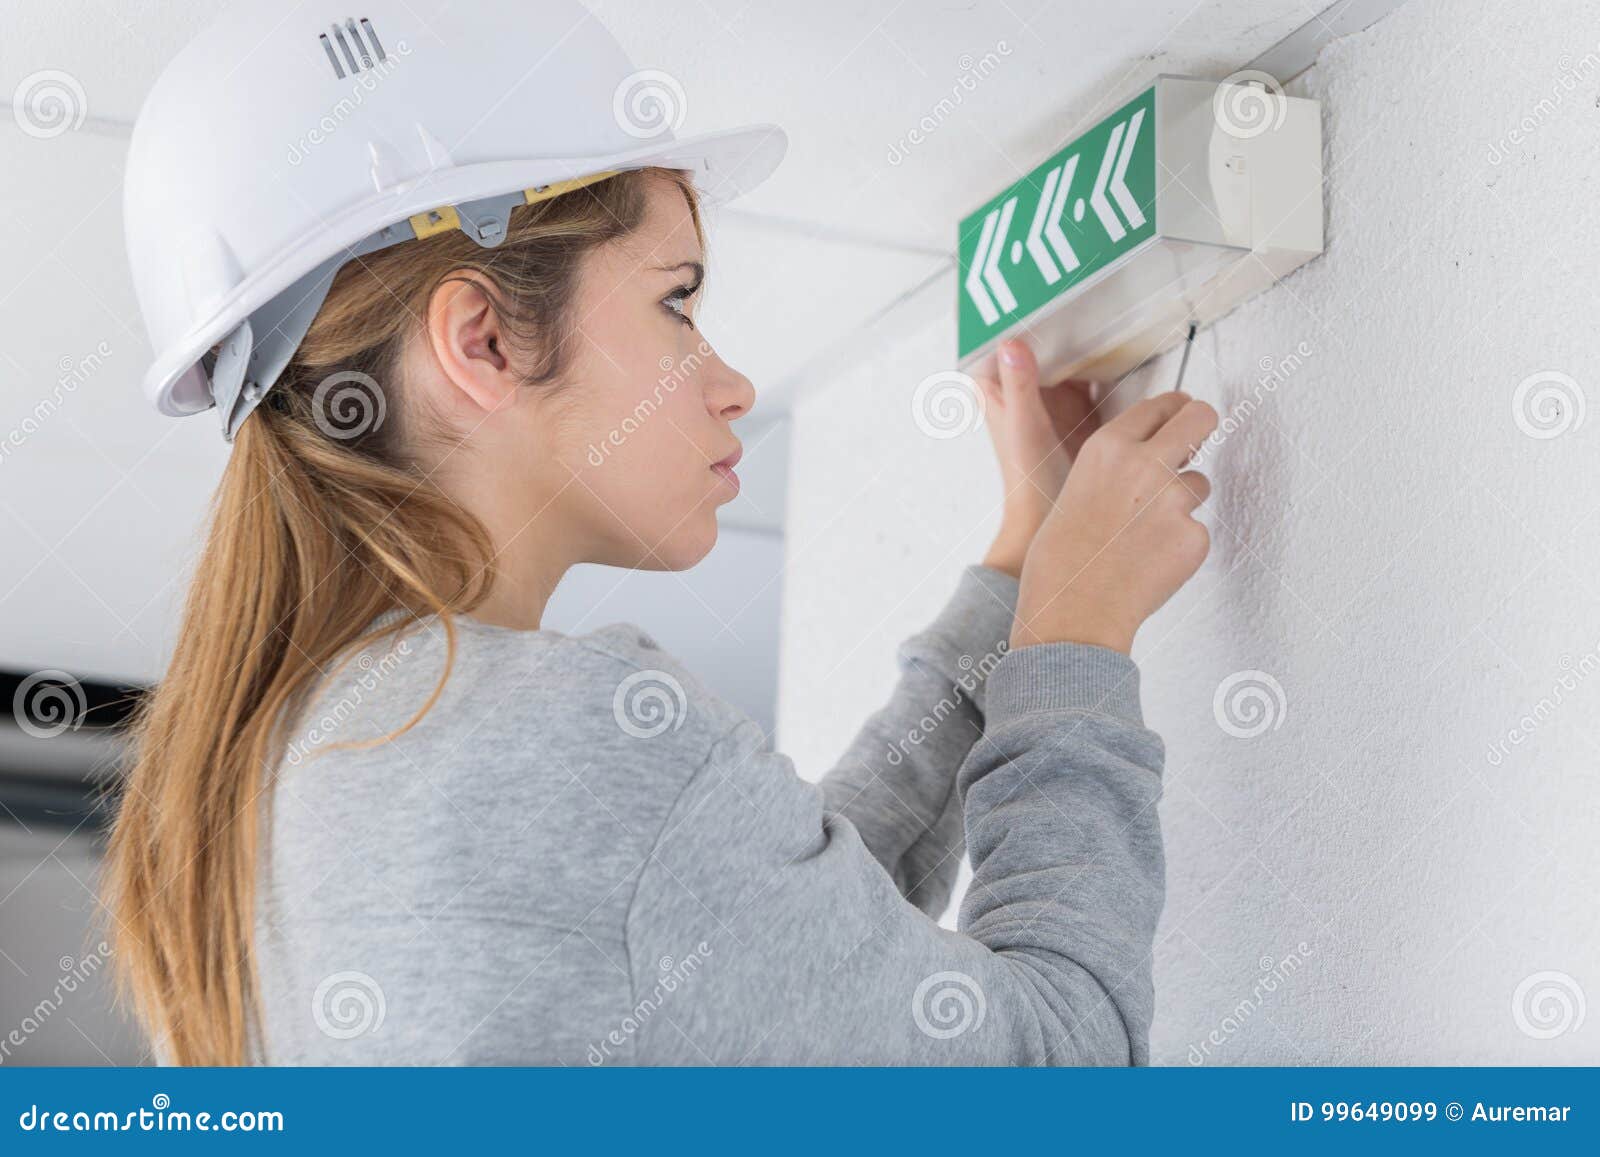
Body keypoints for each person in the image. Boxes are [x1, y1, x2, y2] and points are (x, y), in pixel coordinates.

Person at [103, 2, 1217, 1067]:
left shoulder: (264, 797)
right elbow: (1055, 1067)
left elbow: (761, 956)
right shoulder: (556, 731)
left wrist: (1021, 571)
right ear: (482, 340)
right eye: (675, 300)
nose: (731, 384)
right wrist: (1075, 638)